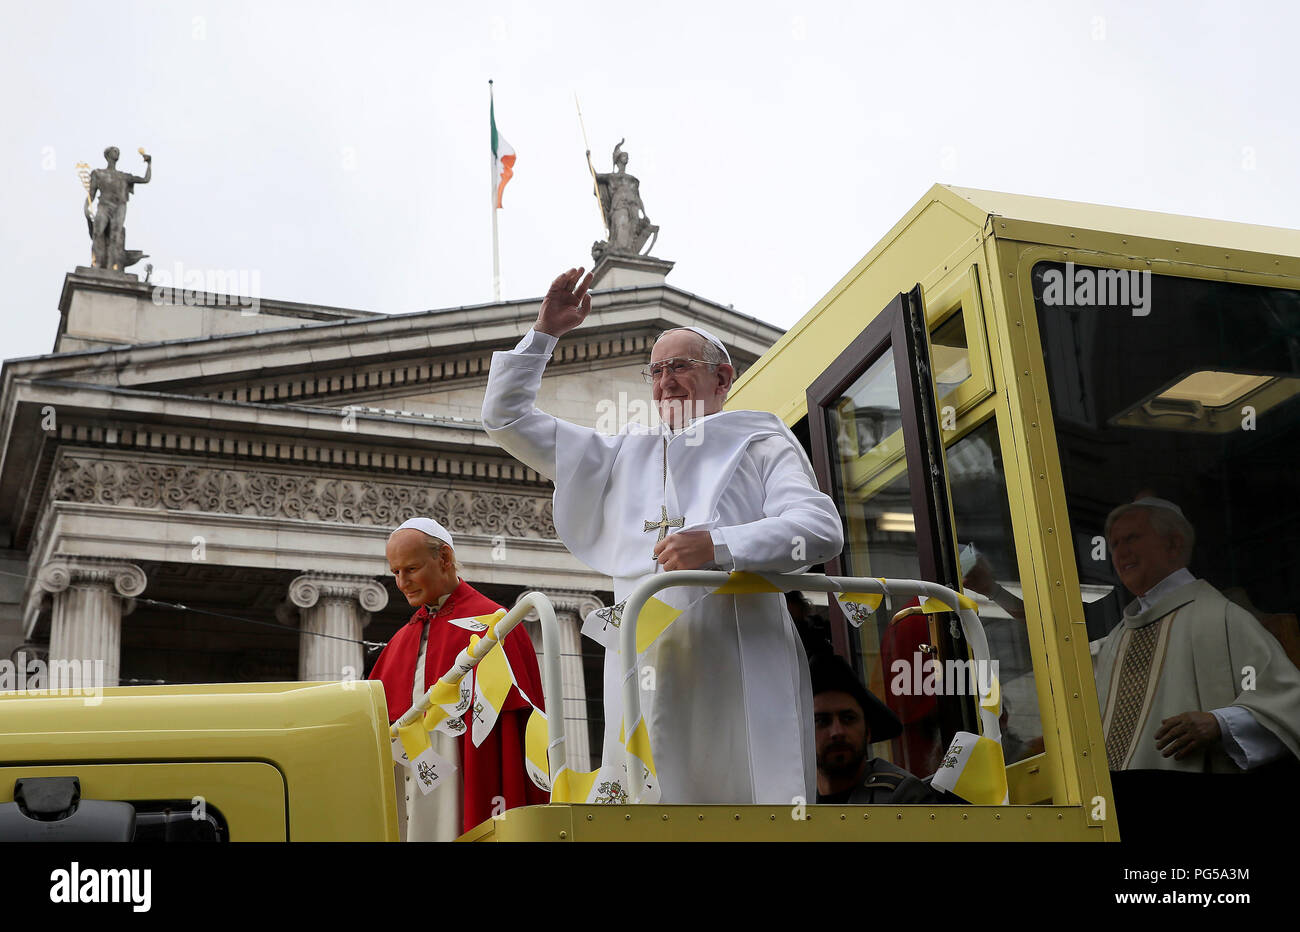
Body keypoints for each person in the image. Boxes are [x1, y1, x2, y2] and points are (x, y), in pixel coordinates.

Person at [481, 267, 844, 805]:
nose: (664, 381)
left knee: (749, 800)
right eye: (654, 371)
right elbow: (504, 418)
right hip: (642, 658)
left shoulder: (762, 442)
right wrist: (545, 333)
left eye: (680, 366)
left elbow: (820, 529)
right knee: (650, 809)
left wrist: (717, 546)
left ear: (722, 379)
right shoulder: (619, 454)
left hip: (740, 654)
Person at [369, 517, 547, 840]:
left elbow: (508, 730)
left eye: (410, 569)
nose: (401, 582)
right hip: (412, 774)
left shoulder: (495, 624)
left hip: (463, 768)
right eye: (395, 572)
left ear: (445, 559)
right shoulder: (400, 641)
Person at [1094, 498, 1300, 772]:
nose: (1120, 553)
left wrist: (1220, 723)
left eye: (1132, 538)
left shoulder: (1221, 618)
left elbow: (1288, 704)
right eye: (1115, 545)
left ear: (1174, 544)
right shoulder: (1115, 640)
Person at [812, 653, 953, 804]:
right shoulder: (792, 797)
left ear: (868, 730)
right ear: (802, 735)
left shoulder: (902, 797)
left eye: (848, 718)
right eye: (822, 721)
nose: (837, 732)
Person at [87, 146, 151, 271]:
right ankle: (98, 262)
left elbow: (145, 179)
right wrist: (86, 207)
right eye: (114, 151)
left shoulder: (124, 176)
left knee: (115, 236)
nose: (117, 153)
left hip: (119, 207)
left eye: (118, 151)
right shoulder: (98, 173)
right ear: (107, 155)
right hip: (104, 205)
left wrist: (149, 164)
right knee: (97, 232)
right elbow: (91, 194)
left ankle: (111, 266)